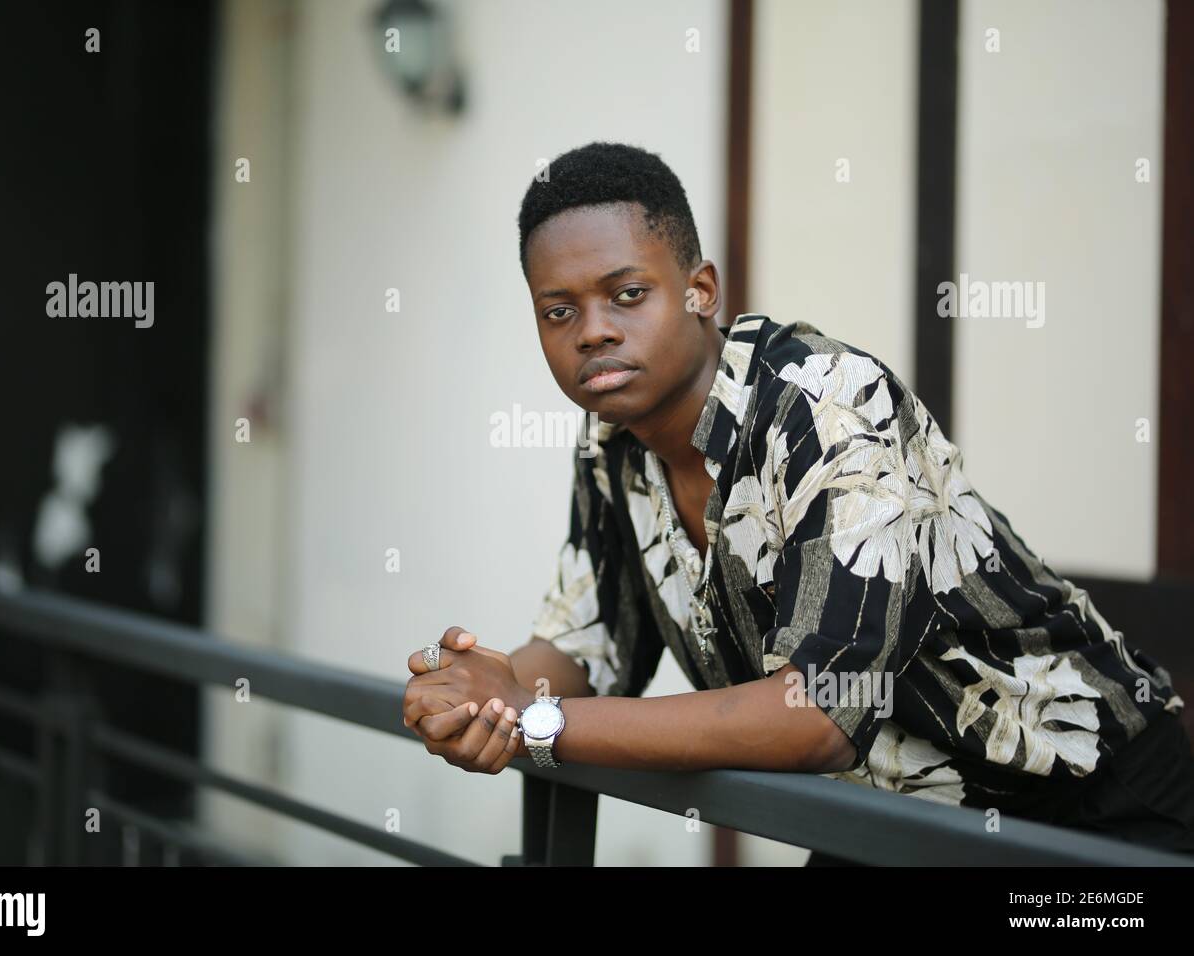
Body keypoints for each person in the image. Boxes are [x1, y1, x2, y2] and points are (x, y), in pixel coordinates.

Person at [400, 141, 1193, 863]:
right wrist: (478, 688)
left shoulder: (828, 409)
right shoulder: (609, 441)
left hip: (1087, 812)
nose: (592, 332)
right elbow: (589, 647)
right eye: (558, 311)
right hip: (896, 819)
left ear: (700, 291)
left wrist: (534, 724)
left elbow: (818, 713)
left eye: (627, 293)